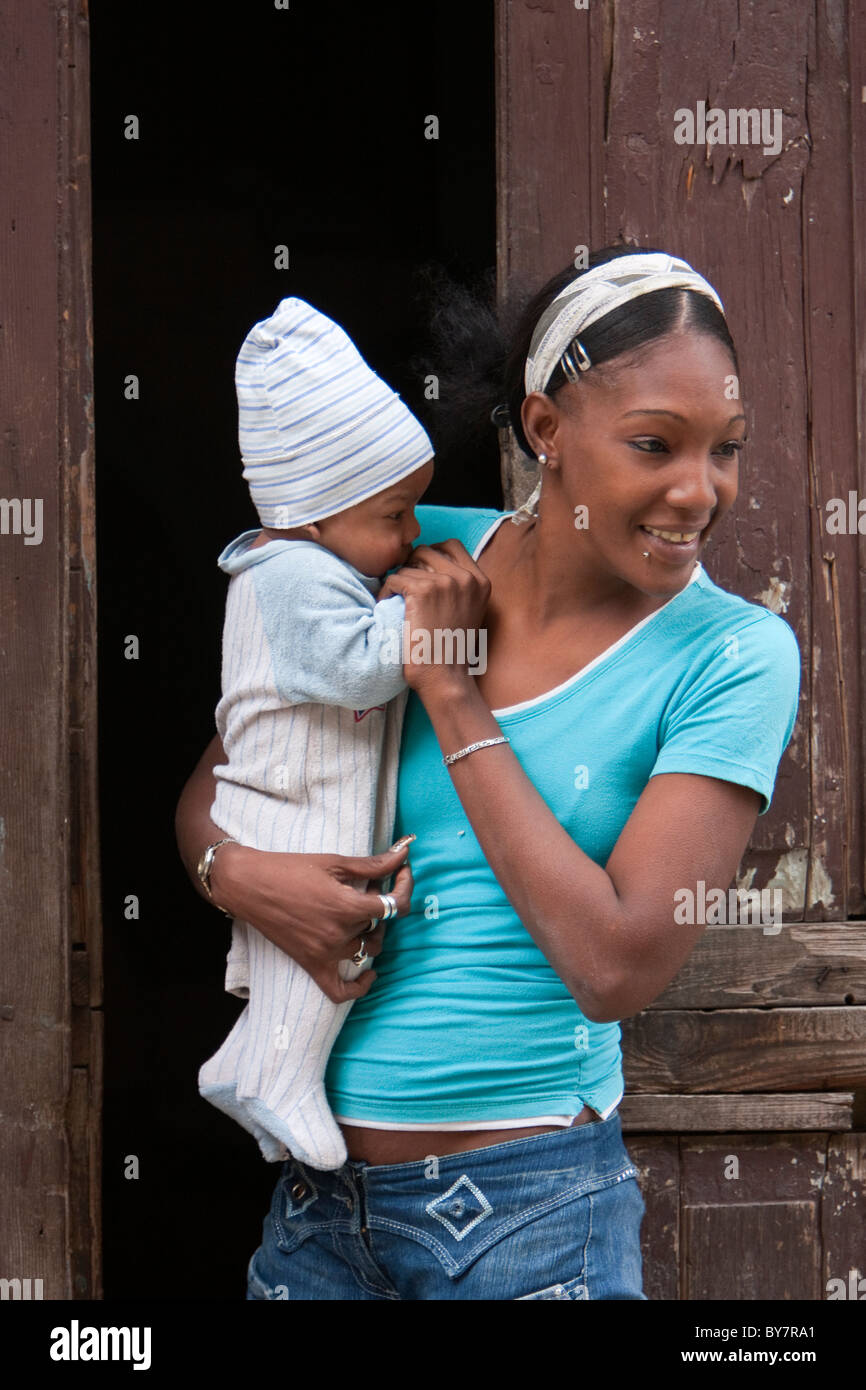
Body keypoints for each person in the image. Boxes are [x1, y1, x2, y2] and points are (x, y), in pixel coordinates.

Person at [176, 246, 801, 1301]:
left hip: (531, 1219)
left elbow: (614, 967)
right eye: (654, 443)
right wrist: (235, 875)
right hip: (317, 1212)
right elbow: (226, 772)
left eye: (725, 450)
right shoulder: (407, 556)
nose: (698, 491)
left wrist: (453, 693)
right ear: (544, 428)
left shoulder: (730, 655)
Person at [196, 295, 434, 1171]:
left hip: (281, 805)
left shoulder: (298, 559)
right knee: (329, 955)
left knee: (307, 963)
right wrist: (424, 614)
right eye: (395, 516)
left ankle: (243, 1064)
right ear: (314, 511)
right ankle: (281, 1079)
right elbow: (356, 672)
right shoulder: (294, 572)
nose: (412, 534)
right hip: (294, 809)